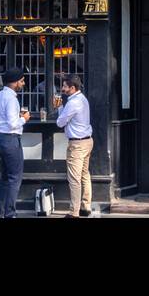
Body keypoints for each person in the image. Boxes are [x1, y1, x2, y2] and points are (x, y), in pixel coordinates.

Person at [0, 66, 29, 218]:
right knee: (15, 178)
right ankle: (10, 213)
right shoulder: (12, 99)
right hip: (10, 140)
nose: (24, 83)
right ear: (14, 82)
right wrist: (24, 119)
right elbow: (13, 123)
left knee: (6, 176)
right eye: (22, 81)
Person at [55, 73, 93, 218]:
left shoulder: (72, 103)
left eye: (65, 86)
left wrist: (58, 107)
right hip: (87, 141)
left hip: (77, 144)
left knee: (74, 178)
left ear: (72, 87)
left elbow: (60, 122)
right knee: (84, 174)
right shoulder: (82, 98)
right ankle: (85, 206)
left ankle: (74, 212)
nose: (62, 88)